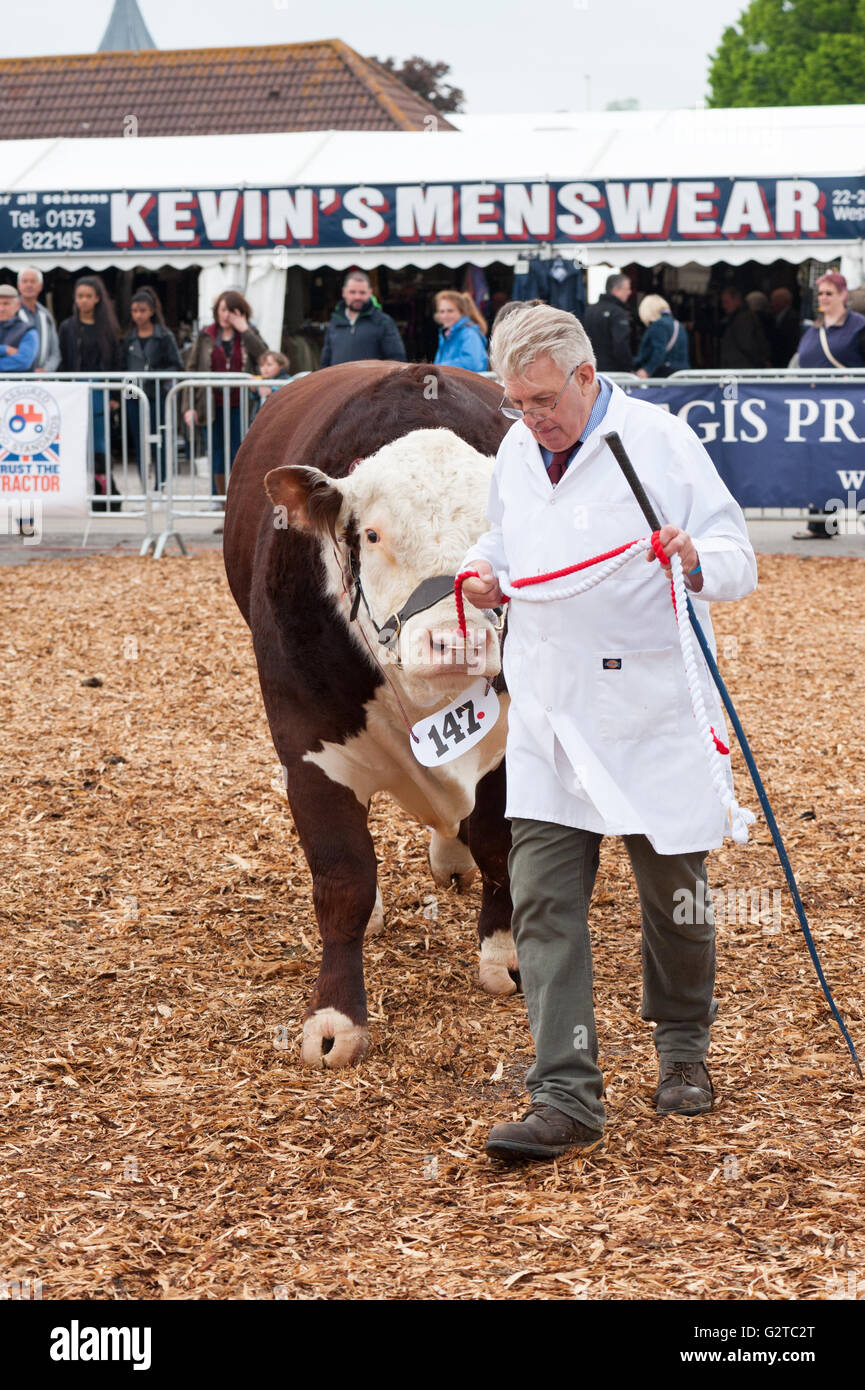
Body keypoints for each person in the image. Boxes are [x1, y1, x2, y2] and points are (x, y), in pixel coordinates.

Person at [459, 304, 757, 1162]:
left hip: (648, 711)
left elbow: (736, 558)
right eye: (516, 403)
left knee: (676, 898)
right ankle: (564, 1090)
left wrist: (692, 556)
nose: (531, 418)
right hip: (550, 712)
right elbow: (504, 540)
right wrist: (485, 572)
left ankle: (683, 1050)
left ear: (587, 376)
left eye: (544, 399)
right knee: (543, 899)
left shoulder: (659, 443)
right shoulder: (518, 450)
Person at [793, 273, 865, 540]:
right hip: (817, 410)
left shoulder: (858, 326)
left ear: (843, 295)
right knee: (819, 463)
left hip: (853, 409)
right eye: (820, 293)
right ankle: (821, 523)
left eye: (829, 293)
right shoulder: (814, 329)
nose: (823, 298)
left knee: (855, 463)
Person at [183, 290, 267, 498]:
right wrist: (188, 406)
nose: (226, 315)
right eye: (222, 310)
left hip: (241, 403)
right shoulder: (205, 335)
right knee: (216, 452)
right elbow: (191, 370)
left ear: (240, 312)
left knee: (240, 452)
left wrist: (245, 329)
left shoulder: (249, 333)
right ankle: (218, 499)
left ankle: (238, 498)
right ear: (216, 311)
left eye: (231, 310)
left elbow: (265, 356)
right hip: (210, 404)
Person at [58, 275, 122, 510]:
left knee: (100, 446)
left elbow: (117, 363)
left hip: (100, 391)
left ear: (97, 299)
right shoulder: (67, 327)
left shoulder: (108, 328)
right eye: (79, 296)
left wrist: (115, 396)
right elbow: (64, 360)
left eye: (88, 296)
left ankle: (105, 491)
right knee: (77, 445)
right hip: (75, 391)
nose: (83, 301)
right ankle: (85, 493)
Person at [121, 287, 183, 488]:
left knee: (160, 441)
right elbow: (121, 366)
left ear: (152, 311)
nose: (138, 315)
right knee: (139, 442)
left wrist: (157, 375)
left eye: (142, 310)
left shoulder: (164, 336)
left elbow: (177, 365)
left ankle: (160, 485)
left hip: (157, 395)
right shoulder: (128, 338)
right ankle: (144, 488)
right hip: (133, 395)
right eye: (134, 311)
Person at [319, 270, 406, 367]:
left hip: (372, 382)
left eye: (362, 292)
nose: (357, 297)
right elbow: (325, 363)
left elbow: (397, 361)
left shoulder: (383, 322)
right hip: (339, 382)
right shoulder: (335, 322)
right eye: (352, 292)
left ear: (370, 293)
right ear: (344, 293)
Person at [583, 273, 633, 372]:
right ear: (616, 290)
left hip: (591, 369)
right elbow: (620, 344)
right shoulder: (618, 313)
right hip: (614, 373)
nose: (629, 292)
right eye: (627, 289)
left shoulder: (590, 310)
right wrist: (628, 368)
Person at [633, 294, 689, 378]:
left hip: (663, 374)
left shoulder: (658, 325)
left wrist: (647, 370)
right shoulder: (678, 324)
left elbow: (659, 351)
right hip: (680, 374)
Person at [16, 267, 60, 372]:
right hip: (14, 379)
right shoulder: (9, 312)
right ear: (18, 285)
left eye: (33, 281)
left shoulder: (46, 315)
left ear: (40, 286)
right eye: (25, 281)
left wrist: (46, 370)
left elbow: (55, 352)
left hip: (41, 381)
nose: (29, 285)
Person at [432, 290, 488, 371]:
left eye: (450, 311)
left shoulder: (469, 334)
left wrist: (438, 368)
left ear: (462, 312)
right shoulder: (446, 335)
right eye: (442, 311)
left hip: (467, 383)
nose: (445, 315)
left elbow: (473, 364)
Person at [719, 286, 771, 370]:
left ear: (737, 300)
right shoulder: (736, 317)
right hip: (739, 368)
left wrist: (761, 363)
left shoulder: (743, 318)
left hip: (743, 369)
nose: (724, 306)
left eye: (726, 302)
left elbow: (748, 344)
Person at [0, 284, 39, 372]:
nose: (1, 308)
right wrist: (5, 349)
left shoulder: (28, 330)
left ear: (17, 306)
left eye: (6, 304)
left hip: (17, 384)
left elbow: (24, 362)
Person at [768, 287, 800, 368]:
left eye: (775, 300)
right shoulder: (775, 317)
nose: (771, 304)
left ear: (784, 301)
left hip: (785, 361)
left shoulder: (792, 318)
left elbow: (789, 342)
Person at [253, 349, 292, 416]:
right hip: (259, 417)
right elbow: (255, 397)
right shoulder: (261, 380)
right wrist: (253, 388)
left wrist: (272, 391)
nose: (265, 368)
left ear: (281, 366)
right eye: (262, 365)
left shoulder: (286, 379)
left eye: (269, 365)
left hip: (278, 416)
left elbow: (287, 391)